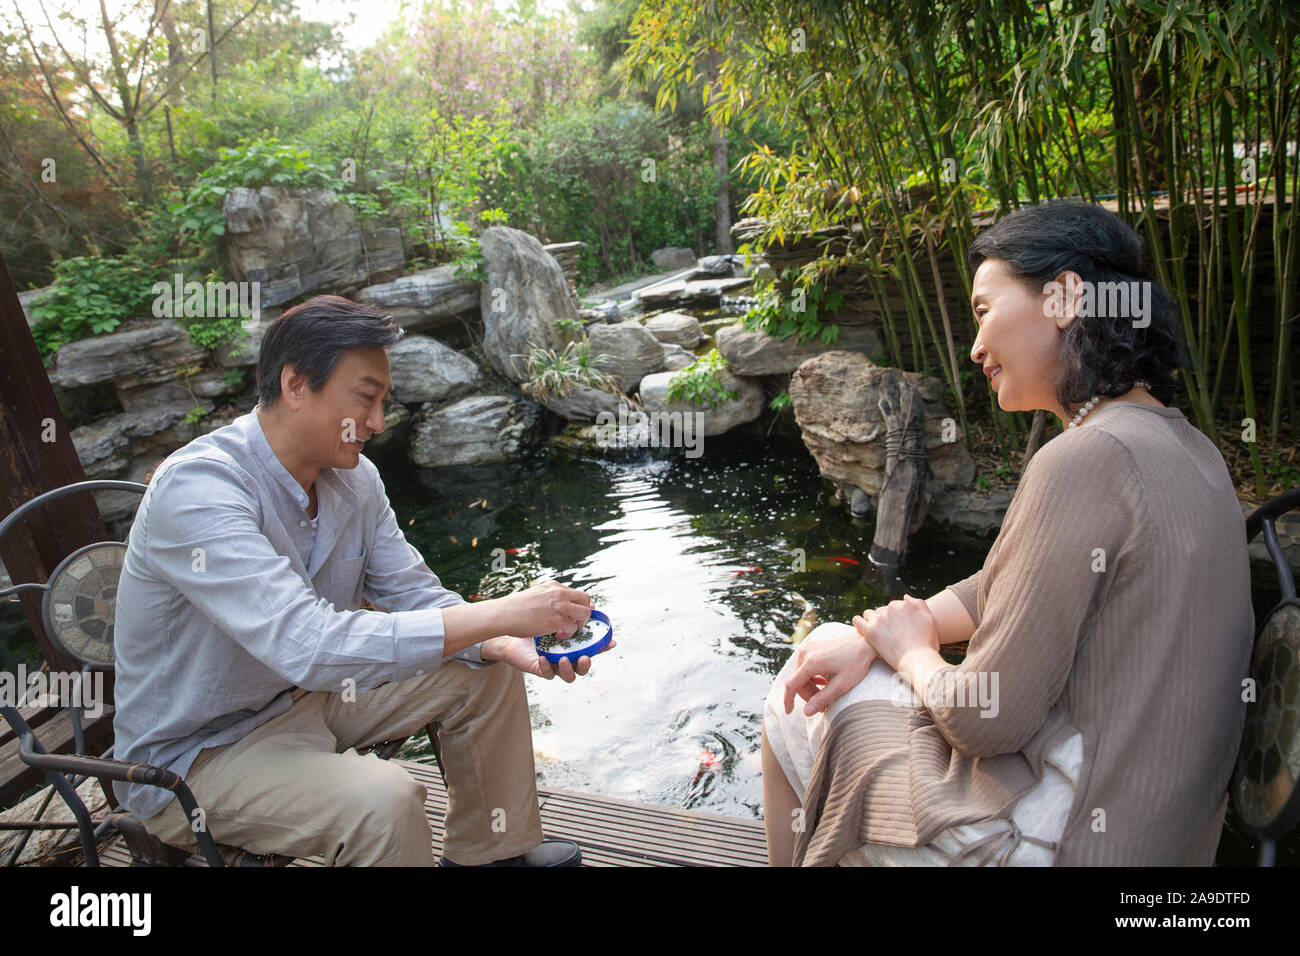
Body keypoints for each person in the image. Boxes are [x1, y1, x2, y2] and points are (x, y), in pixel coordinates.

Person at [760, 201, 1255, 866]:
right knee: (838, 646)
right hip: (1165, 840)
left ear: (1064, 298)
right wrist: (875, 638)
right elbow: (999, 586)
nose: (975, 346)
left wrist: (909, 654)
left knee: (795, 694)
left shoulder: (1085, 457)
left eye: (985, 309)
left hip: (1063, 842)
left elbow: (983, 719)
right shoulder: (1188, 446)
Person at [112, 295, 614, 866]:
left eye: (382, 402)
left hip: (307, 700)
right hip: (197, 755)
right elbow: (310, 645)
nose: (377, 423)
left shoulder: (355, 480)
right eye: (365, 399)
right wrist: (500, 613)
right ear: (296, 384)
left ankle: (490, 852)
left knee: (485, 666)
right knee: (386, 802)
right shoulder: (199, 490)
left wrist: (504, 639)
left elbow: (413, 595)